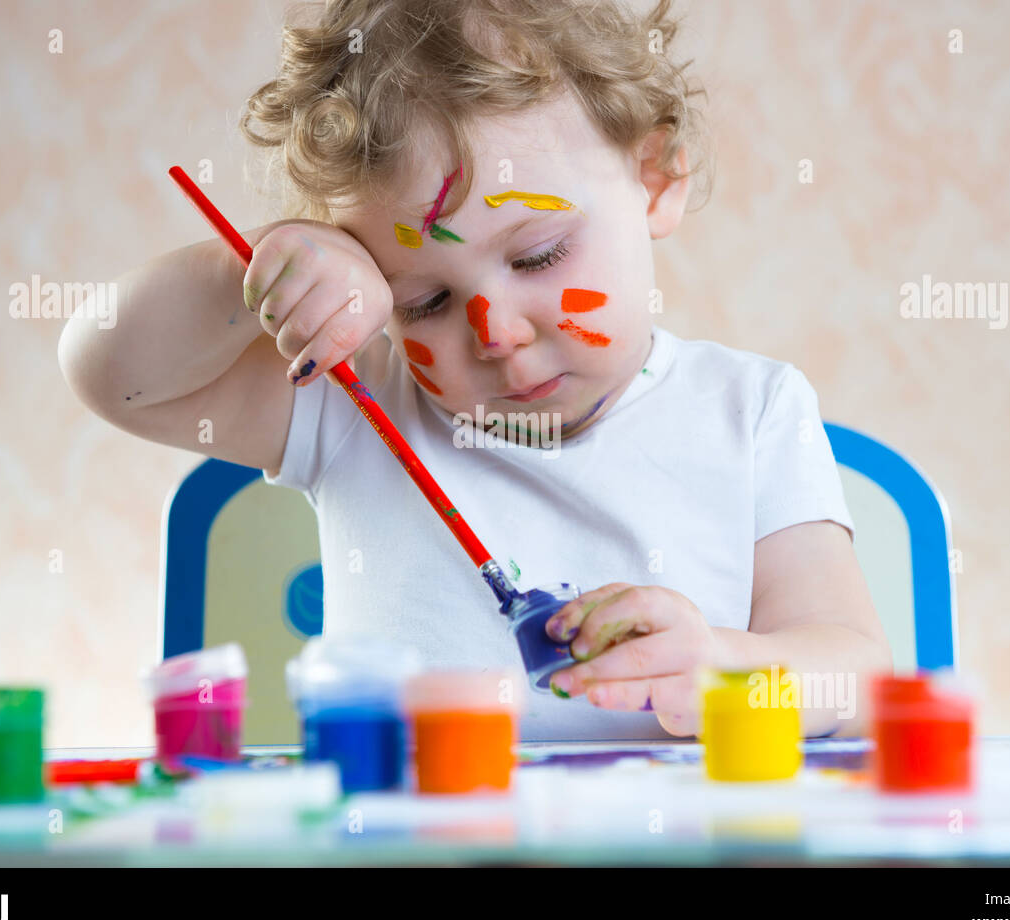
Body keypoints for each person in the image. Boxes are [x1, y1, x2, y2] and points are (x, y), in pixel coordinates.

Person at [58, 0, 890, 741]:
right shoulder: (357, 399)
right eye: (422, 302)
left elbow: (856, 674)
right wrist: (253, 273)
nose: (495, 332)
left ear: (654, 178)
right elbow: (111, 371)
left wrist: (724, 667)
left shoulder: (753, 412)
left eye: (539, 254)